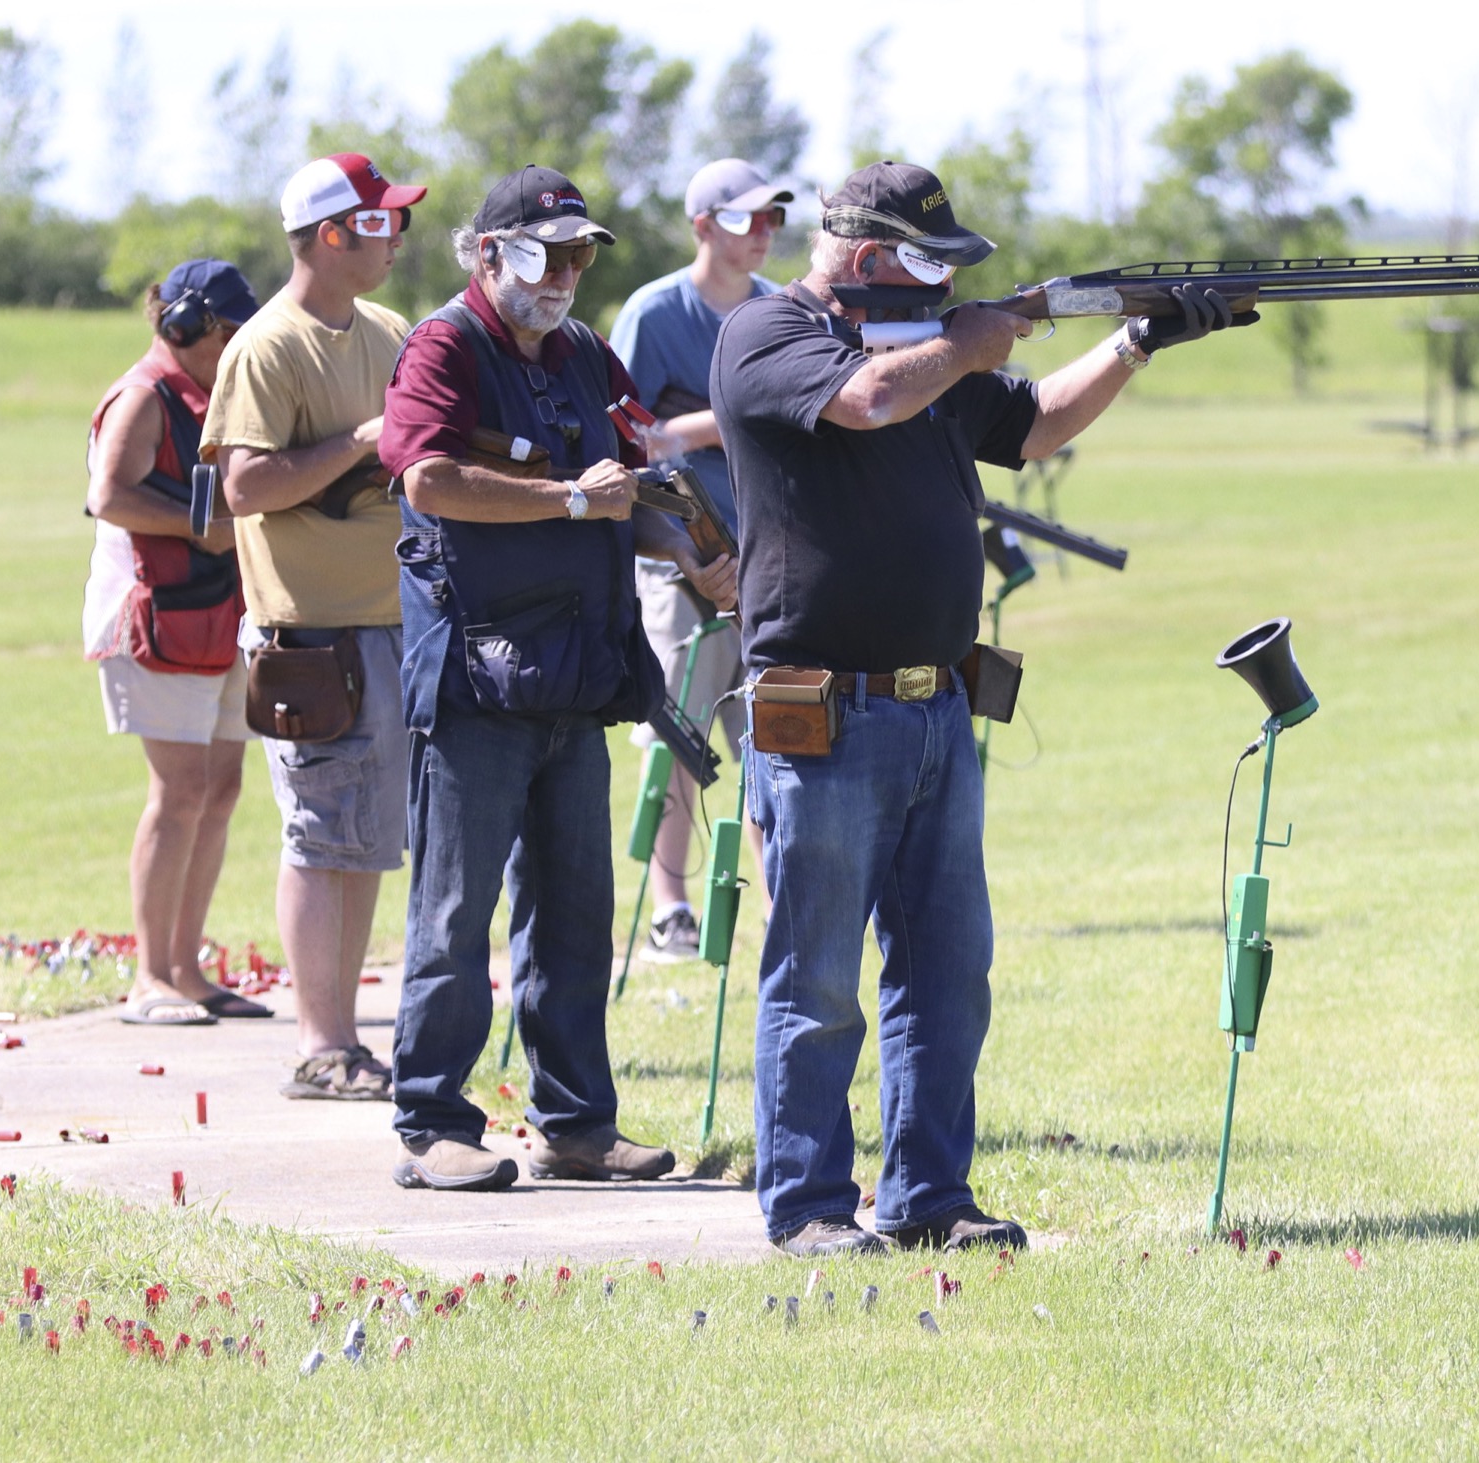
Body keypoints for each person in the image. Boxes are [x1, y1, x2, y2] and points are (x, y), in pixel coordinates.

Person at [712, 161, 1254, 1256]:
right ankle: (810, 1206)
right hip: (825, 716)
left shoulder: (921, 351)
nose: (945, 284)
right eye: (924, 262)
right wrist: (969, 334)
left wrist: (1135, 340)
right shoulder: (769, 337)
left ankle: (926, 1194)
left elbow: (1037, 424)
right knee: (815, 981)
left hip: (933, 710)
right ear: (866, 262)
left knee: (945, 974)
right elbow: (865, 400)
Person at [379, 165, 733, 1191]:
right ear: (489, 254)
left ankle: (575, 1125)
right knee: (454, 914)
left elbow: (635, 476)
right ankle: (429, 1124)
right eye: (549, 251)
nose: (569, 272)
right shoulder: (443, 344)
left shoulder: (582, 350)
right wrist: (571, 503)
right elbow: (429, 479)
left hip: (579, 674)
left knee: (574, 914)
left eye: (581, 253)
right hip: (475, 683)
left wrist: (685, 547)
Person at [199, 154, 428, 1098]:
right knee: (317, 835)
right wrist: (363, 444)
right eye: (382, 223)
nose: (397, 238)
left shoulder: (390, 330)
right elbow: (244, 486)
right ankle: (321, 1044)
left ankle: (343, 1038)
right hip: (312, 639)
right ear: (332, 234)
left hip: (393, 622)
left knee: (367, 838)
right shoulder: (268, 344)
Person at [608, 157, 790, 962]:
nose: (764, 233)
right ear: (703, 226)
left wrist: (703, 425)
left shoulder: (782, 308)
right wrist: (683, 547)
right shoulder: (652, 313)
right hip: (679, 550)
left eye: (772, 218)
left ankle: (781, 896)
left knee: (775, 728)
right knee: (678, 726)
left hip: (770, 550)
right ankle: (672, 908)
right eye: (748, 218)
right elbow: (630, 439)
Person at [84, 259, 263, 1027]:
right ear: (186, 325)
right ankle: (149, 976)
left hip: (215, 613)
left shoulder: (211, 392)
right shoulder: (145, 394)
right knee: (179, 791)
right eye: (227, 332)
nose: (235, 346)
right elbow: (110, 495)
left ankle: (187, 969)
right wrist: (211, 527)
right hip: (153, 616)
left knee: (220, 789)